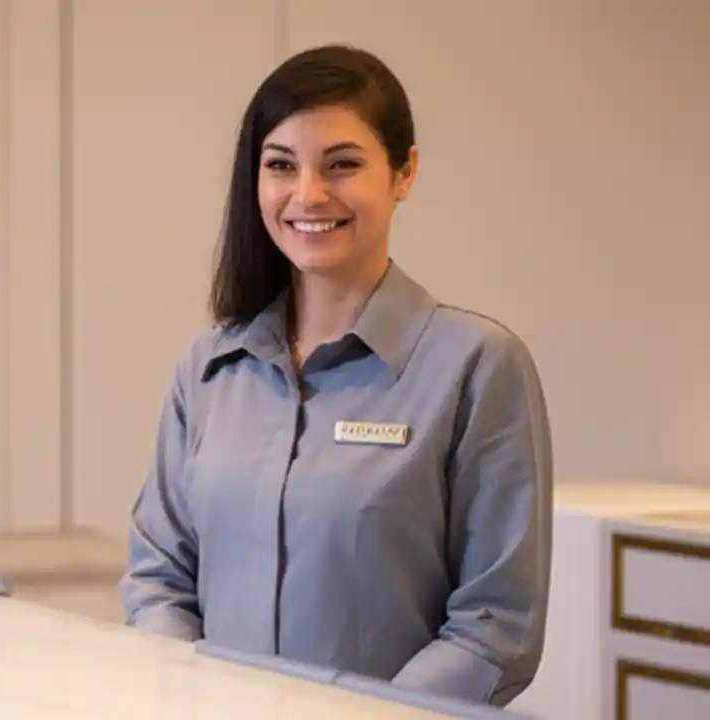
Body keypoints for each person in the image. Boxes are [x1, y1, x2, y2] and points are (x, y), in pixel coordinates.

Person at [120, 45, 552, 707]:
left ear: (404, 173)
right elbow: (159, 579)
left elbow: (496, 626)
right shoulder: (206, 371)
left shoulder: (477, 367)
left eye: (342, 164)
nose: (309, 195)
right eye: (280, 166)